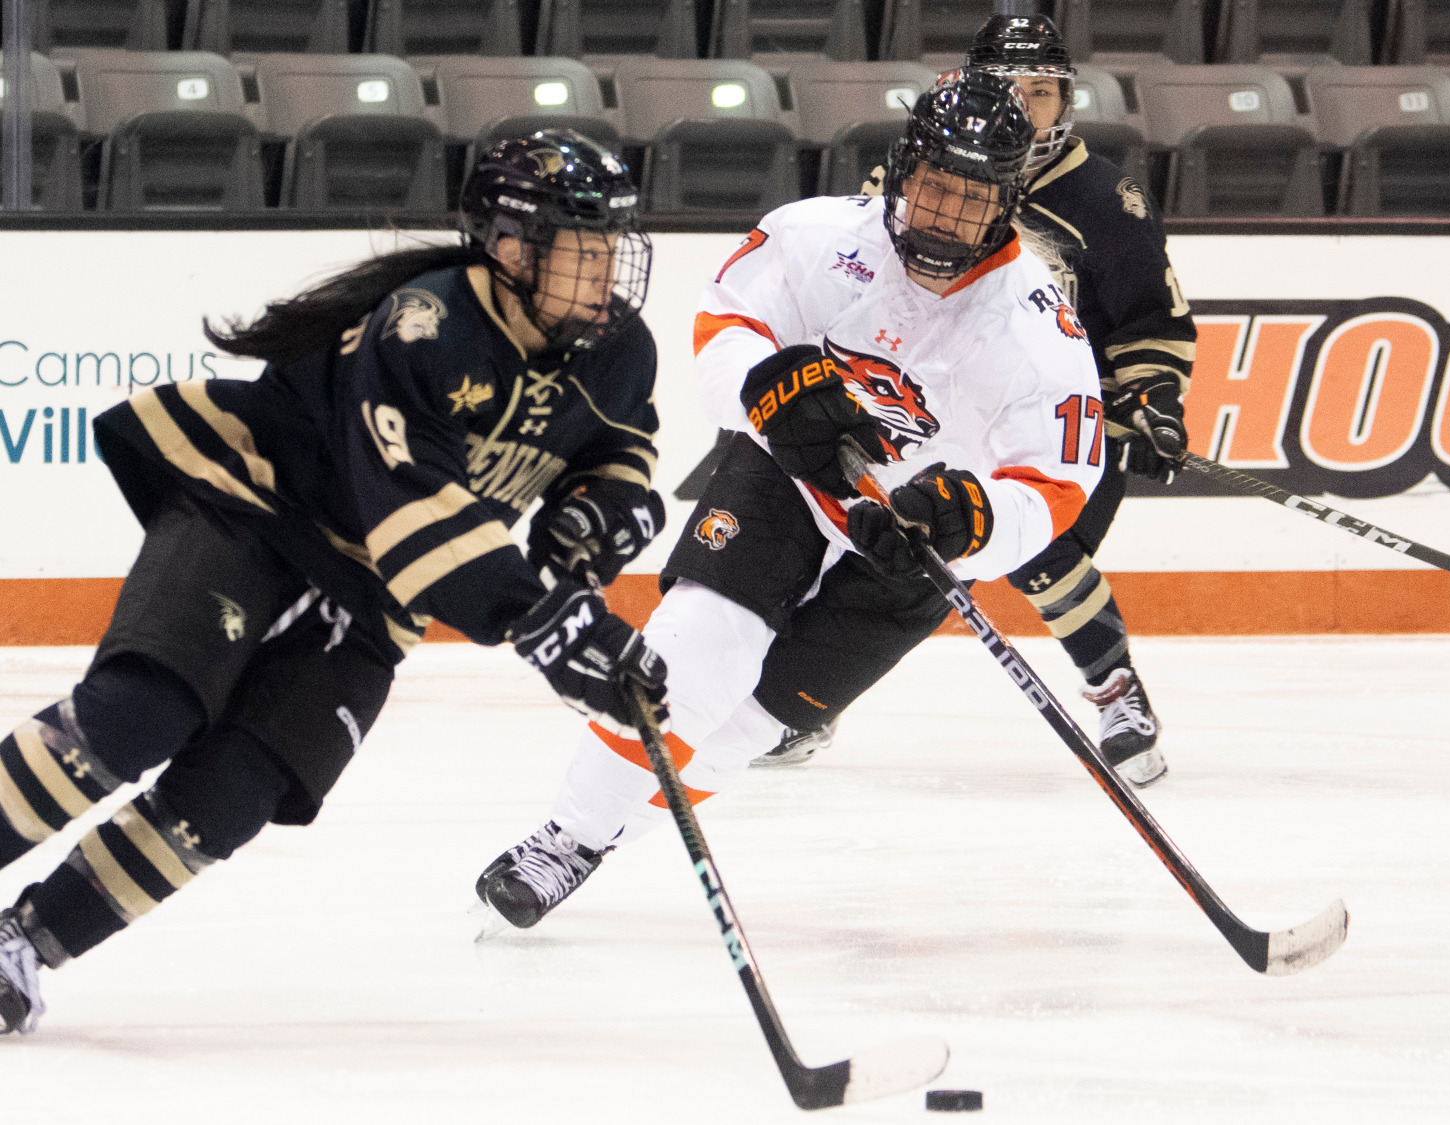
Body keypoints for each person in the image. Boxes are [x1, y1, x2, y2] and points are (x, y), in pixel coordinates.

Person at [0, 130, 670, 1034]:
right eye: (586, 248)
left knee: (233, 794)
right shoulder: (425, 326)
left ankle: (27, 940)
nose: (609, 273)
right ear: (511, 248)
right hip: (258, 512)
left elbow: (621, 449)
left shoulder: (617, 351)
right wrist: (542, 620)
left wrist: (591, 524)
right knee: (139, 714)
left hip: (374, 598)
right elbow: (414, 511)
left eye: (615, 247)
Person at [473, 72, 1103, 931]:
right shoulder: (816, 238)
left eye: (969, 197)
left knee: (750, 725)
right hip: (791, 480)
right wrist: (766, 386)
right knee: (694, 654)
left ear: (1006, 201)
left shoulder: (1039, 329)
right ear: (903, 166)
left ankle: (611, 826)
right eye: (931, 184)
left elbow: (1057, 485)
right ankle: (569, 835)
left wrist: (970, 519)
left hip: (911, 545)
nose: (941, 212)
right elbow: (725, 326)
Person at [757, 14, 1195, 787]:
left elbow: (1150, 322)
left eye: (1043, 93)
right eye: (1009, 92)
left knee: (1038, 550)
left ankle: (1117, 691)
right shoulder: (921, 174)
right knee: (872, 547)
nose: (1028, 111)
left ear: (1067, 99)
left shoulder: (1104, 198)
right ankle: (807, 699)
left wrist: (1155, 399)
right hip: (922, 415)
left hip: (1046, 420)